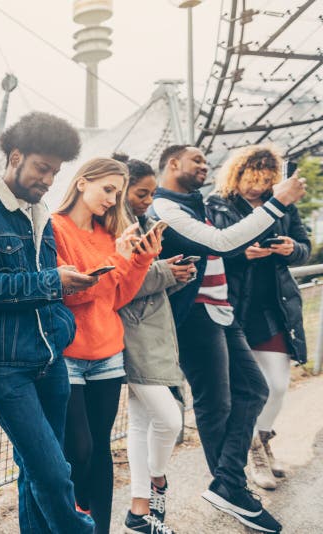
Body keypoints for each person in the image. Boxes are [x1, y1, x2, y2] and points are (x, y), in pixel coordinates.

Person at [150, 144, 306, 533]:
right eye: (196, 160)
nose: (205, 165)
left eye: (206, 160)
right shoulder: (166, 208)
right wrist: (278, 203)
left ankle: (227, 483)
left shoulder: (194, 203)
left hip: (222, 308)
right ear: (172, 164)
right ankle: (232, 488)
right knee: (215, 401)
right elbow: (222, 243)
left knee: (254, 389)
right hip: (195, 312)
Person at [0, 111, 97, 534]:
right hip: (7, 367)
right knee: (54, 474)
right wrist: (51, 283)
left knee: (34, 471)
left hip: (50, 360)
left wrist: (60, 321)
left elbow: (45, 276)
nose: (49, 180)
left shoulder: (40, 210)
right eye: (42, 168)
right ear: (15, 156)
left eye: (55, 171)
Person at [51, 157, 159, 534]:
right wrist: (119, 258)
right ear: (82, 183)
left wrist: (141, 260)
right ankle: (76, 524)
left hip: (107, 354)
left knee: (99, 450)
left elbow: (115, 298)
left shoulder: (107, 233)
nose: (114, 200)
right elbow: (71, 295)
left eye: (117, 193)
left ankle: (100, 528)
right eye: (108, 190)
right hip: (68, 356)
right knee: (77, 450)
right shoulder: (55, 228)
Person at [206, 145, 310, 490]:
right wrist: (239, 254)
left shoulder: (284, 203)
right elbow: (209, 251)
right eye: (252, 179)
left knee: (278, 386)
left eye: (266, 181)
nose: (257, 187)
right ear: (237, 174)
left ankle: (261, 438)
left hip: (272, 307)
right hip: (233, 307)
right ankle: (253, 453)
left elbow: (303, 246)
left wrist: (290, 250)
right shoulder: (216, 204)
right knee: (248, 389)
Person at [115, 154, 195, 534]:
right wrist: (165, 272)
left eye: (150, 194)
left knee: (144, 422)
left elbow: (145, 277)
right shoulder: (118, 226)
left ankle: (139, 510)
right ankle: (158, 482)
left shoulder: (143, 222)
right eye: (142, 193)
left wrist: (175, 274)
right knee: (169, 419)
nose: (149, 200)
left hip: (152, 329)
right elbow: (120, 283)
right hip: (134, 334)